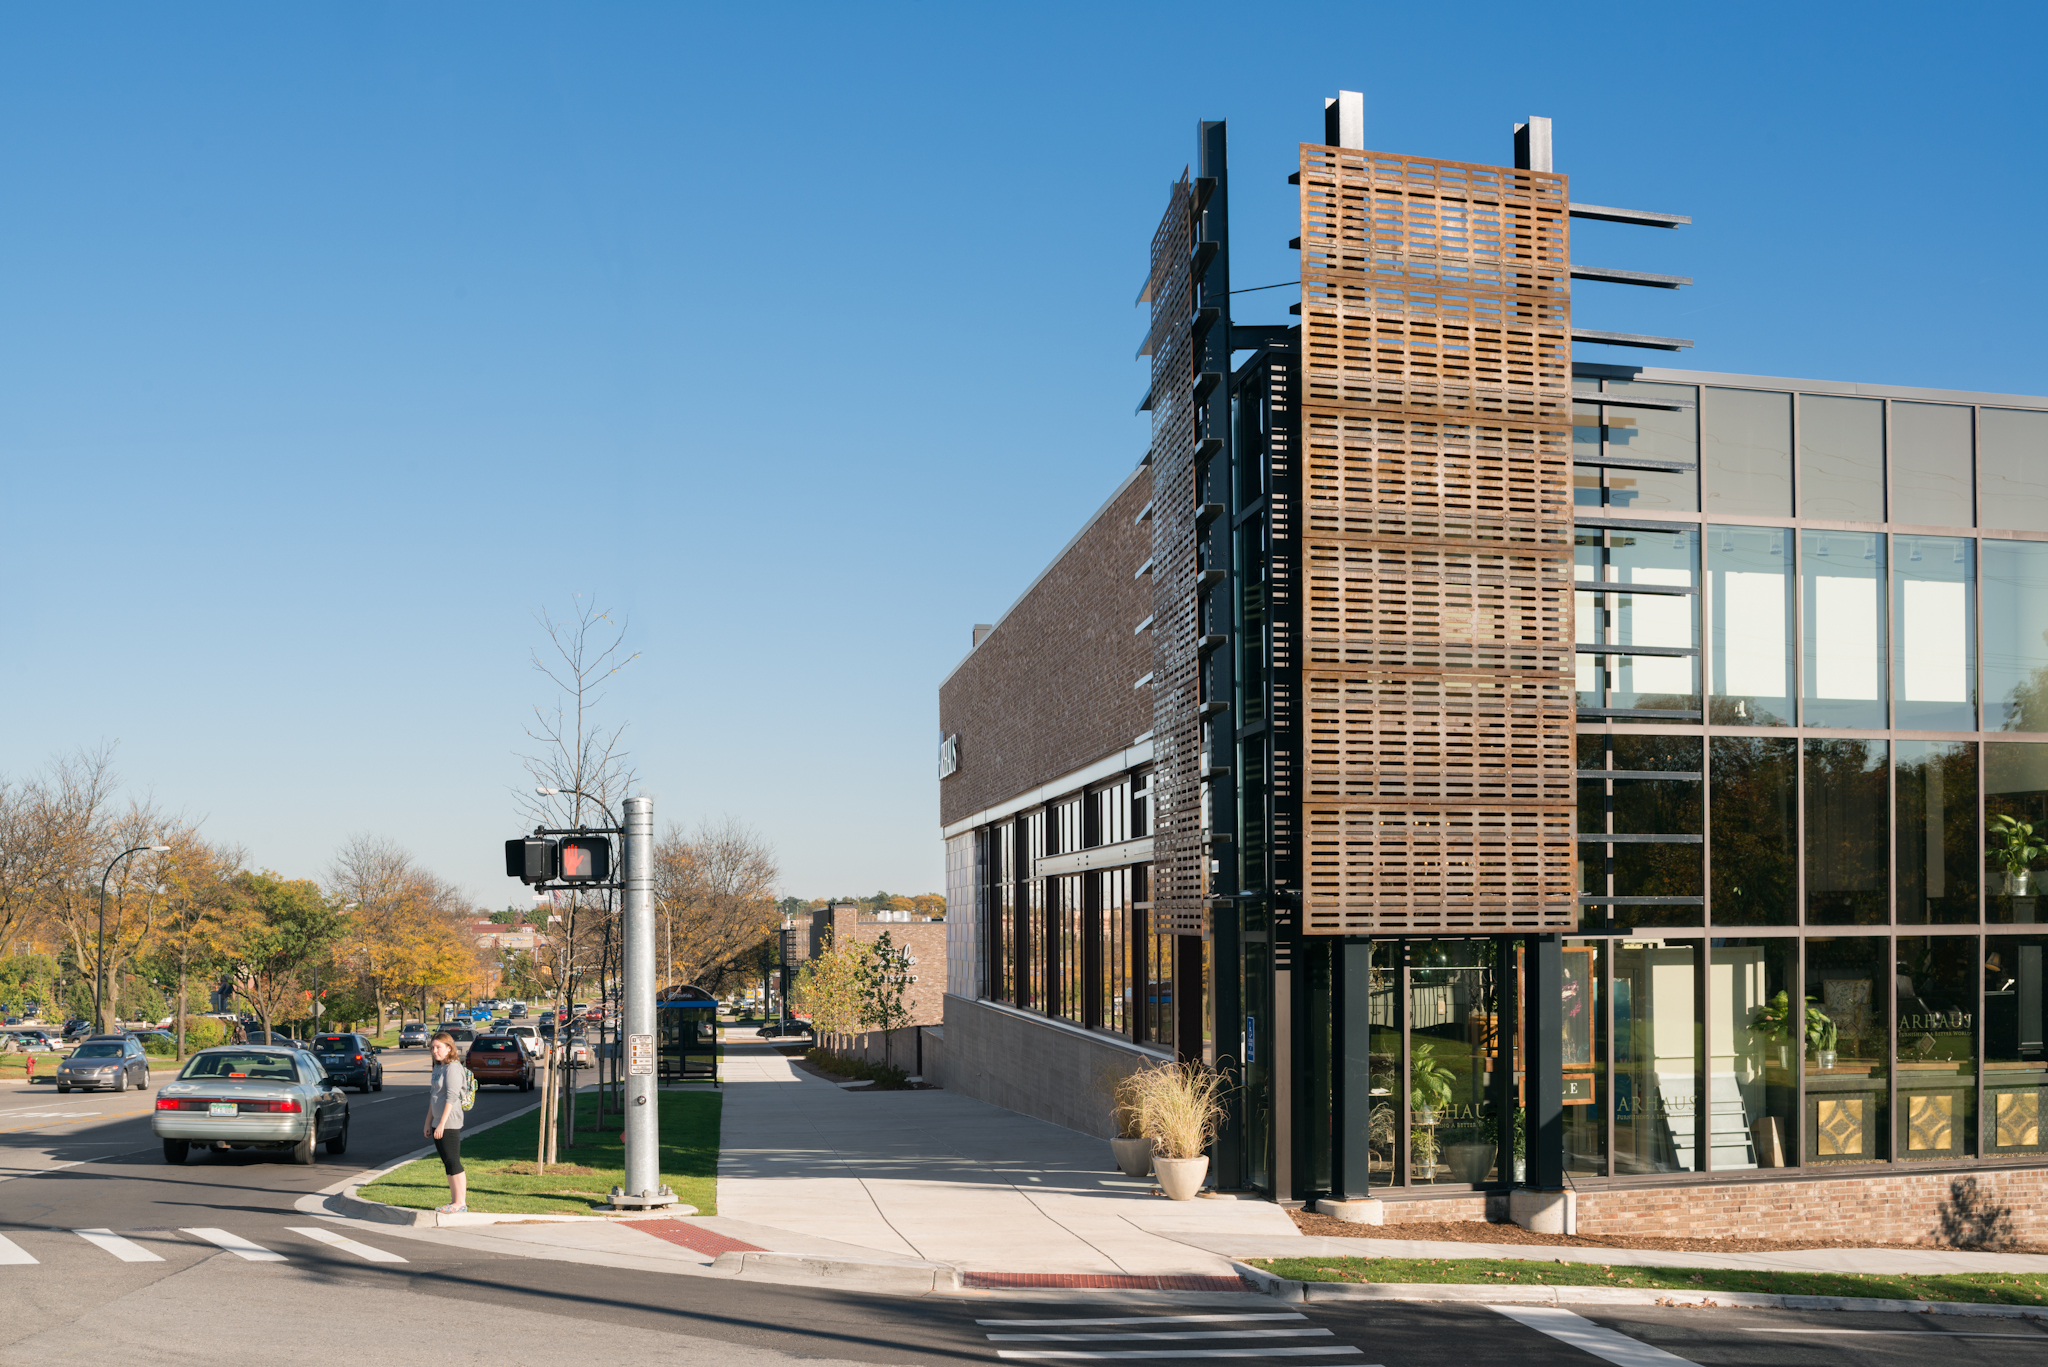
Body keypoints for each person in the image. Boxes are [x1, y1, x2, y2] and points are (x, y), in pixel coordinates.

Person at [425, 1030, 469, 1214]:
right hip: (437, 1121)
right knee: (447, 1163)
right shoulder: (438, 1068)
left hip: (450, 1122)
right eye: (433, 1048)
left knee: (453, 1161)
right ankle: (454, 1202)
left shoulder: (453, 1068)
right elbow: (433, 1097)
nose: (435, 1051)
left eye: (438, 1047)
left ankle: (460, 1203)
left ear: (449, 1048)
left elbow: (451, 1097)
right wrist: (429, 1122)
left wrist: (442, 1123)